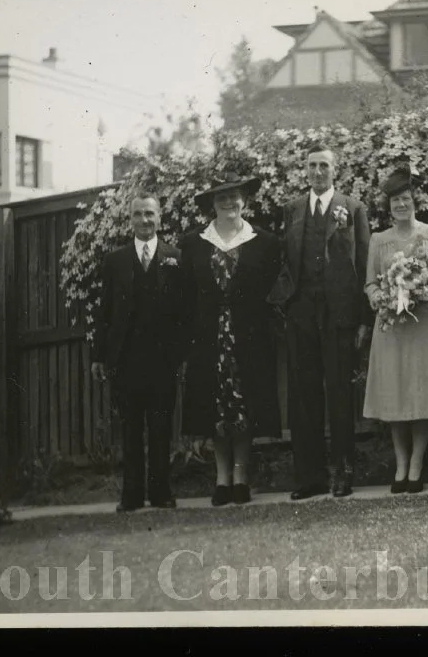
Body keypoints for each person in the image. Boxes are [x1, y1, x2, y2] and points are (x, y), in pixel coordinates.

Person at [267, 145, 372, 499]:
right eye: (311, 166)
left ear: (335, 169)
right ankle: (308, 478)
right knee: (303, 397)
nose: (317, 171)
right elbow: (288, 260)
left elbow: (364, 264)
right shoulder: (293, 210)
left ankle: (342, 475)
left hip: (339, 315)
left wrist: (362, 319)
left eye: (323, 165)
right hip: (302, 316)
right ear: (305, 170)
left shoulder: (353, 208)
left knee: (340, 396)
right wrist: (285, 300)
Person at [178, 173, 282, 506]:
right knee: (215, 408)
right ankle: (221, 479)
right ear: (212, 204)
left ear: (245, 200)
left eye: (234, 196)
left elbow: (273, 291)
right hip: (208, 337)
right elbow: (185, 295)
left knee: (244, 407)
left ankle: (241, 476)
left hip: (248, 336)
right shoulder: (193, 243)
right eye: (221, 198)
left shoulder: (264, 242)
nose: (229, 203)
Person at [363, 167, 428, 494]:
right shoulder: (379, 240)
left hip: (424, 324)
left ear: (415, 200)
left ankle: (417, 464)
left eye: (405, 198)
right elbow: (371, 283)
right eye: (395, 201)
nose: (401, 205)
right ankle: (401, 464)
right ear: (388, 207)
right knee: (394, 394)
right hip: (391, 327)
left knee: (420, 393)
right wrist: (380, 297)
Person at [91, 192, 186, 513]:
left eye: (150, 214)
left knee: (161, 428)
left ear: (160, 217)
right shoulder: (114, 261)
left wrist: (181, 356)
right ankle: (131, 495)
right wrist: (98, 356)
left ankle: (161, 493)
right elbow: (104, 313)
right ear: (129, 219)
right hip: (127, 361)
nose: (144, 220)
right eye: (138, 215)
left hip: (162, 361)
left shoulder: (175, 257)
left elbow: (183, 313)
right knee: (130, 429)